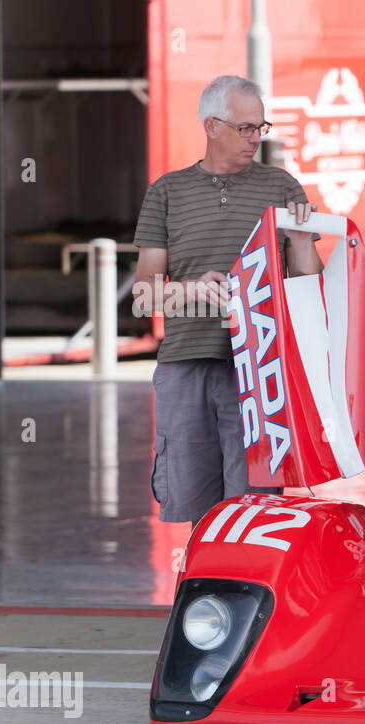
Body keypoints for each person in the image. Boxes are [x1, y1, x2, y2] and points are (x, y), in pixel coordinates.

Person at [133, 75, 322, 526]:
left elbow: (309, 287)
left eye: (261, 127)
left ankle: (246, 592)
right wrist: (191, 290)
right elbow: (144, 296)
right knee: (193, 503)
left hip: (259, 369)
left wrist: (300, 239)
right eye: (245, 128)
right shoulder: (167, 192)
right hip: (186, 363)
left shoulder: (282, 187)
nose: (256, 138)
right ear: (211, 125)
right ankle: (202, 594)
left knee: (254, 505)